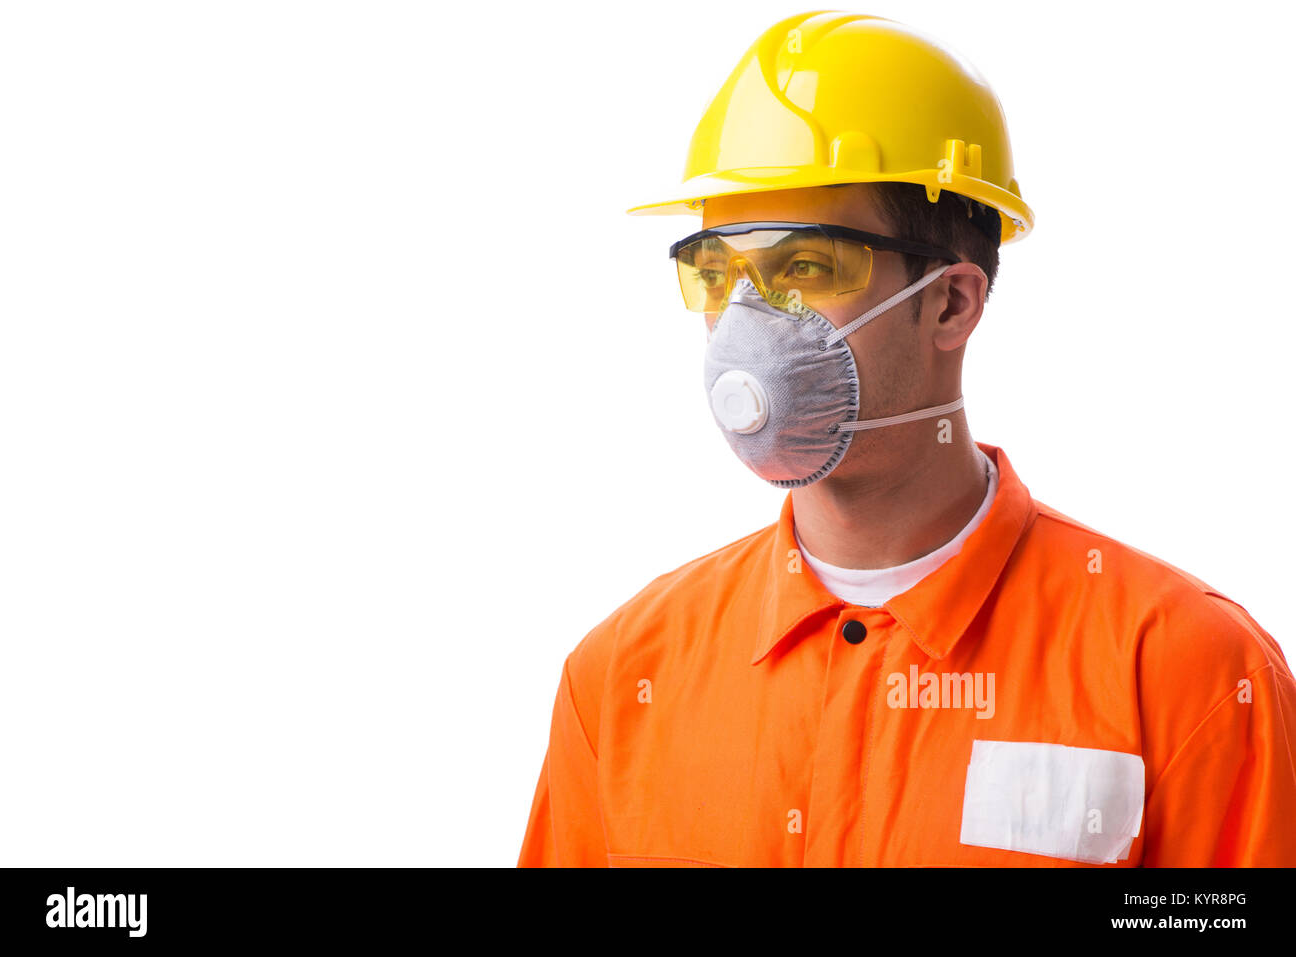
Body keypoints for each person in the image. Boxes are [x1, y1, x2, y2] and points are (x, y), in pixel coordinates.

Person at [517, 10, 1296, 867]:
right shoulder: (624, 678)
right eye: (718, 269)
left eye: (805, 266)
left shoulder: (1185, 672)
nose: (744, 321)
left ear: (953, 302)